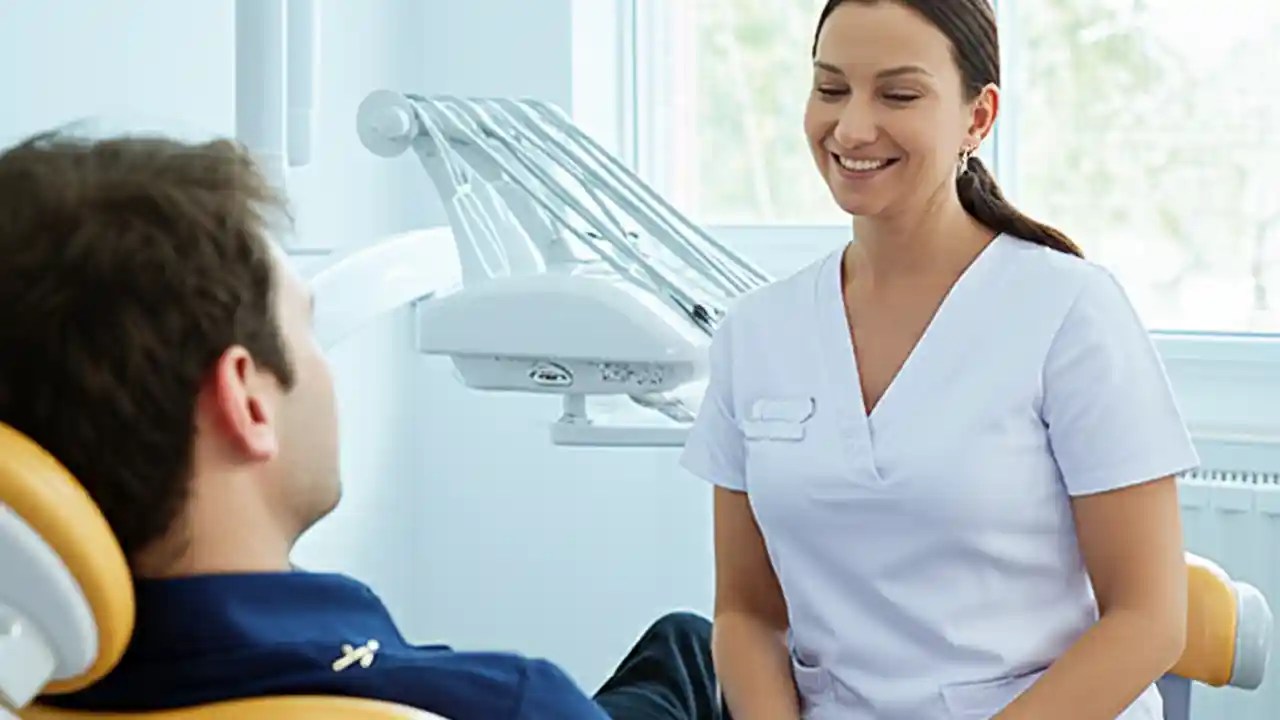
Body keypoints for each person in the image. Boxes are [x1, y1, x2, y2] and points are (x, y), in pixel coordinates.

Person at [0, 129, 725, 720]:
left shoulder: (46, 674)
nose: (327, 365)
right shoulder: (517, 703)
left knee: (687, 647)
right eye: (310, 330)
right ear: (248, 403)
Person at [679, 1, 1196, 718]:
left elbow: (1149, 620)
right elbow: (746, 612)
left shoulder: (1067, 311)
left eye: (898, 94)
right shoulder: (757, 333)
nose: (853, 127)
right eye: (831, 89)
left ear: (978, 117)